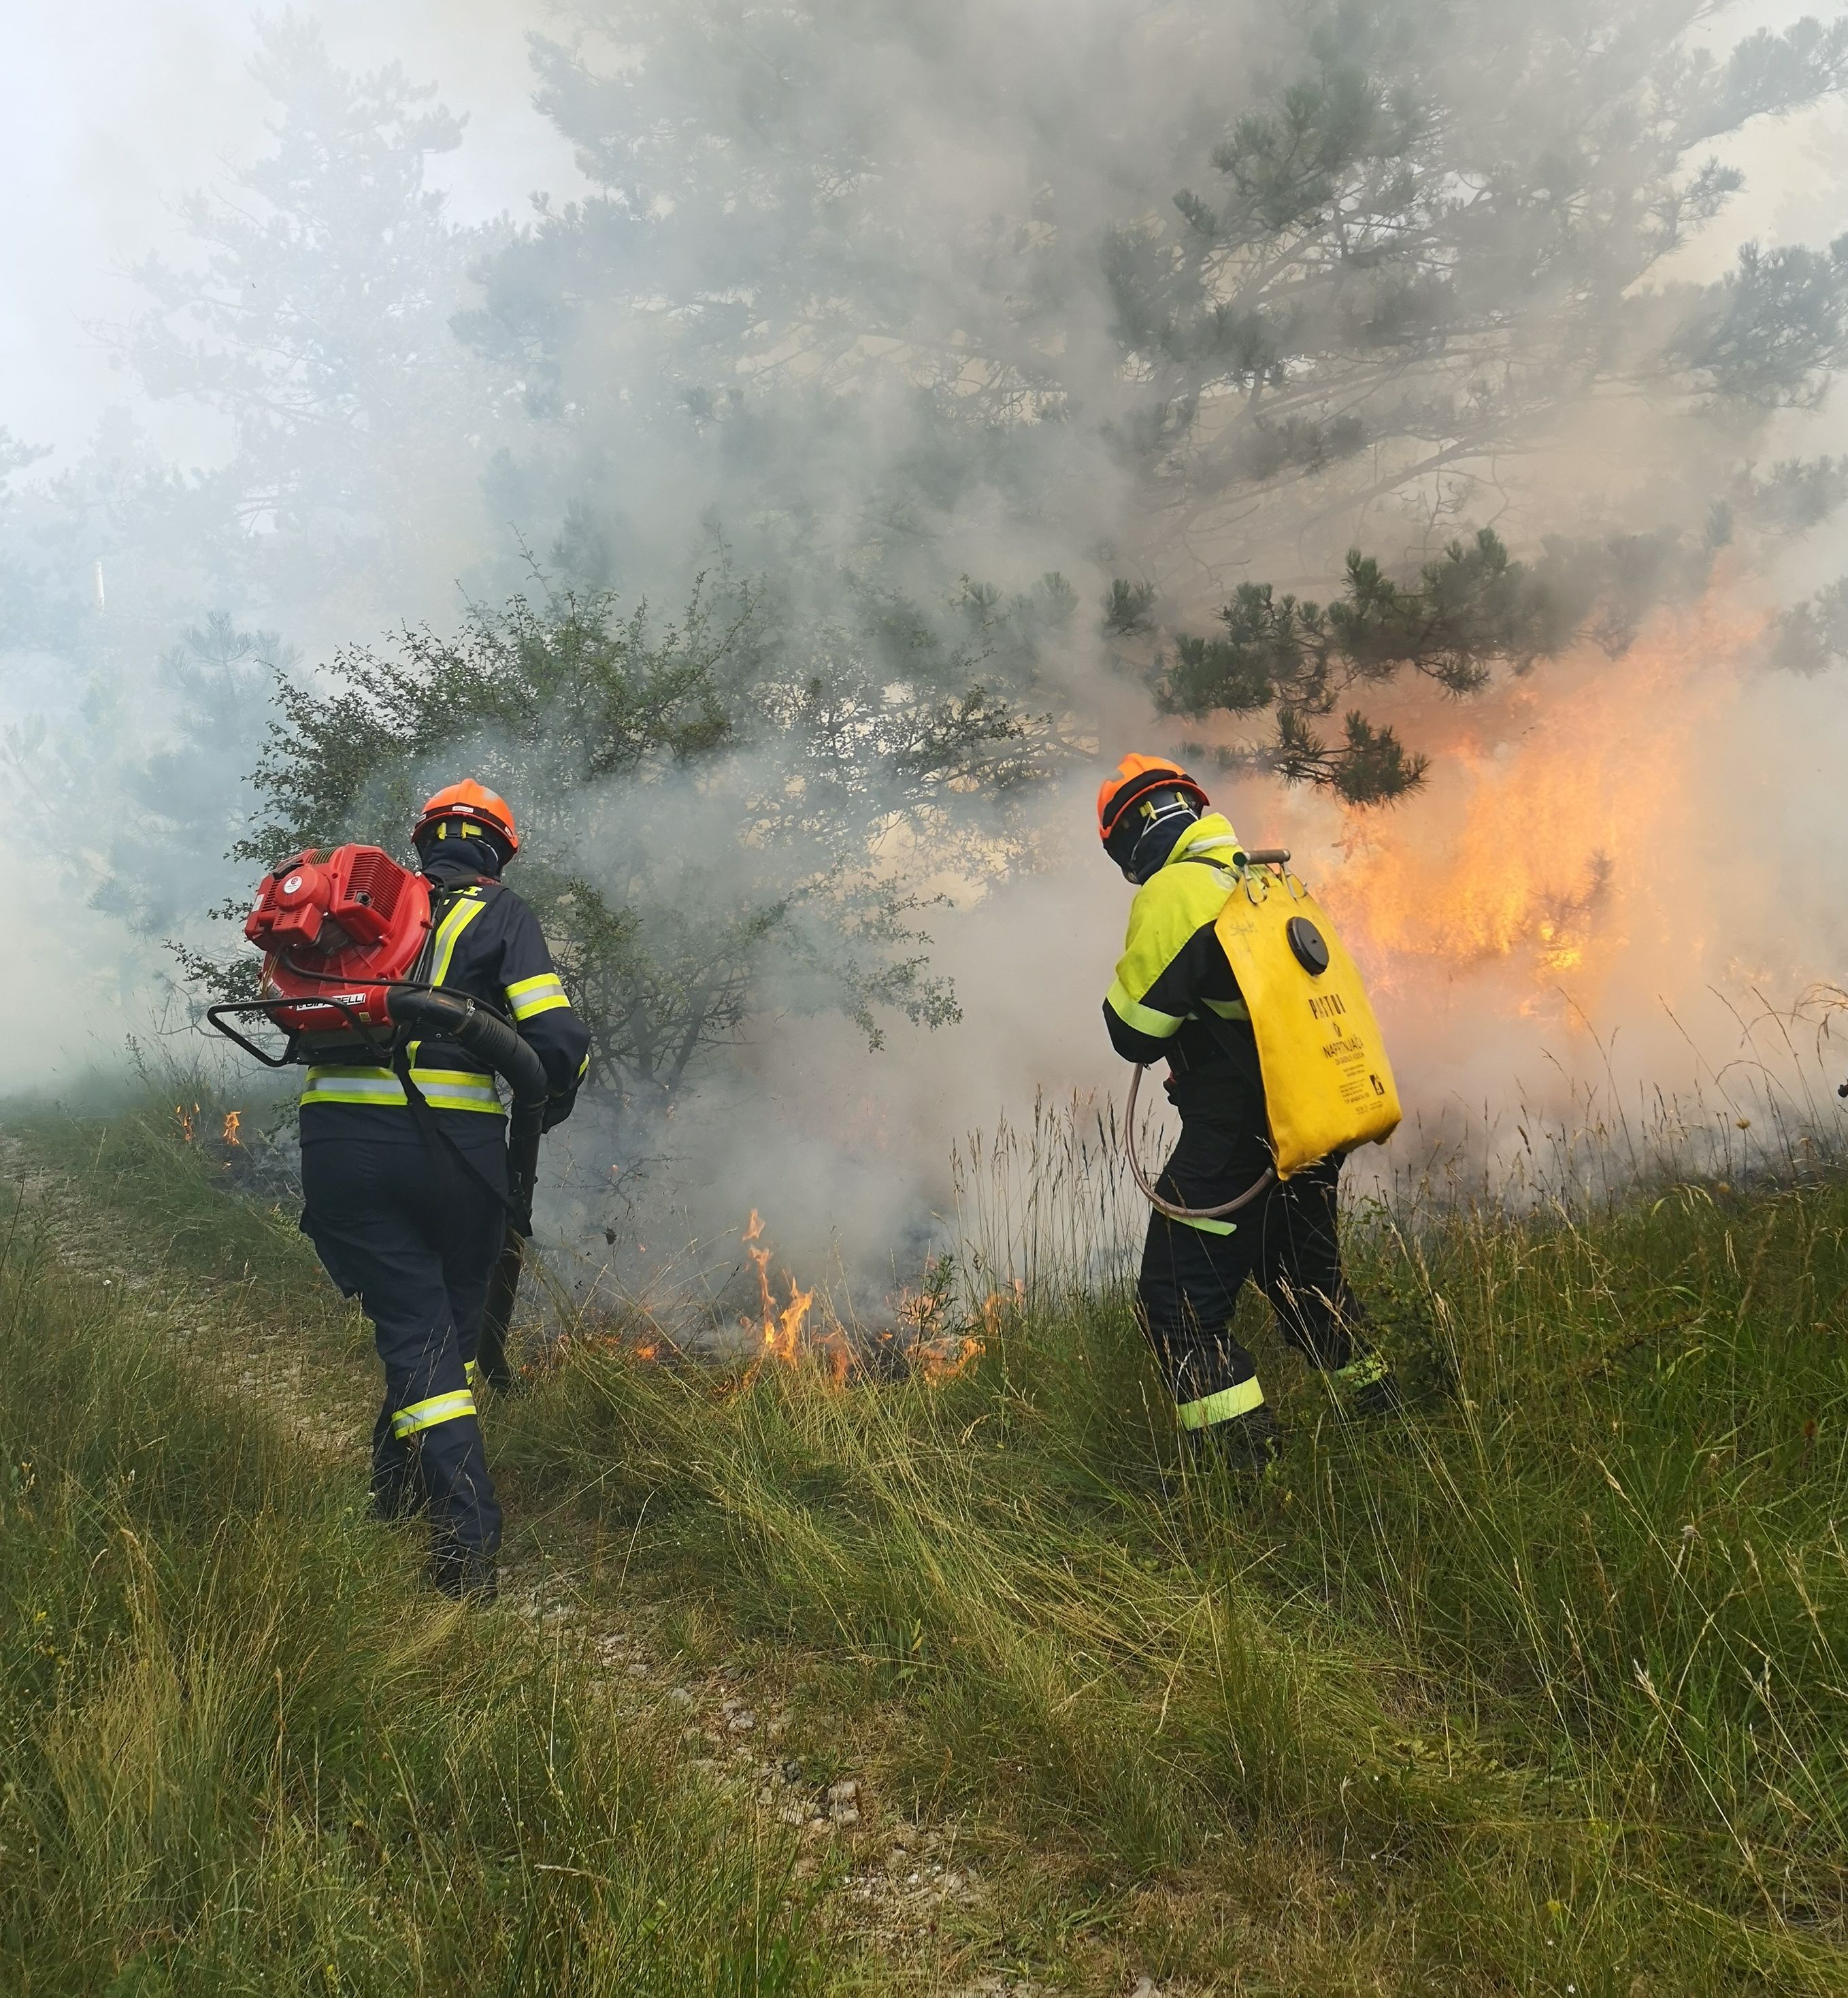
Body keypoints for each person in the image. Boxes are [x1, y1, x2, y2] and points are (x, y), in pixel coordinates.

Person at [297, 782, 591, 1597]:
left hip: (341, 1152)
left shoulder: (368, 912)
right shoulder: (499, 914)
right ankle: (468, 1546)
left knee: (428, 1334)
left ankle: (389, 1498)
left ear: (424, 842)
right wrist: (555, 1090)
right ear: (497, 847)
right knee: (436, 1339)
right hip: (455, 1158)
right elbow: (555, 1036)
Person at [1097, 753, 1398, 1469]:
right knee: (1306, 1288)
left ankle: (1245, 1473)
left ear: (1135, 830)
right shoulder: (1267, 881)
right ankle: (1387, 1426)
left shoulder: (1178, 890)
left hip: (1239, 1140)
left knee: (1176, 1303)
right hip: (1310, 1125)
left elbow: (1132, 1031)